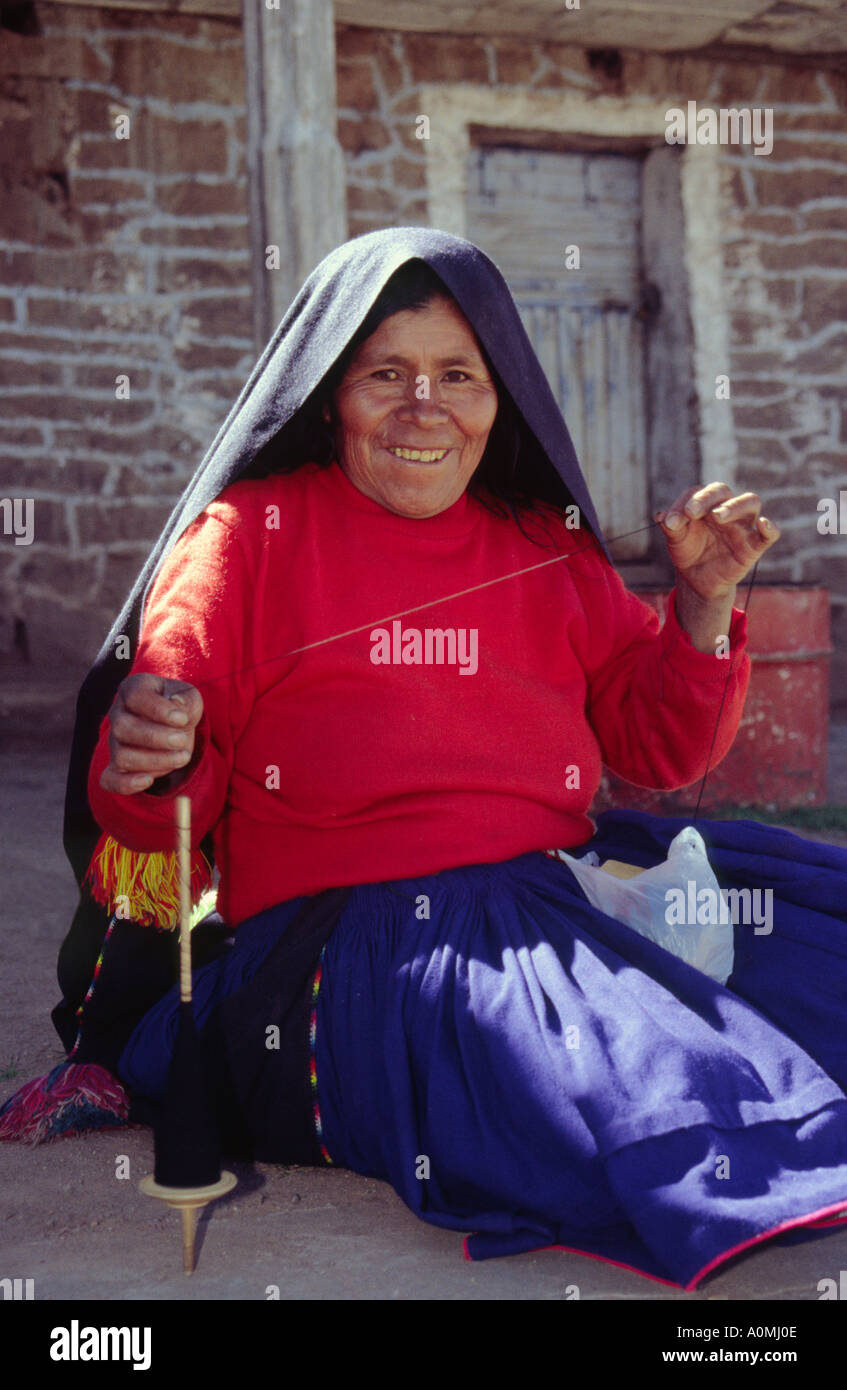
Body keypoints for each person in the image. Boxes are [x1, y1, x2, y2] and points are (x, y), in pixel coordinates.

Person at [7, 228, 847, 1290]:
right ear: (325, 395)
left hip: (558, 889)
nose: (425, 407)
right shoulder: (248, 538)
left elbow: (658, 745)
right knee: (623, 1063)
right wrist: (156, 759)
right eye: (385, 376)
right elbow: (164, 795)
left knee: (809, 942)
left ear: (501, 399)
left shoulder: (541, 541)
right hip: (344, 944)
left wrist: (702, 604)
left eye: (459, 375)